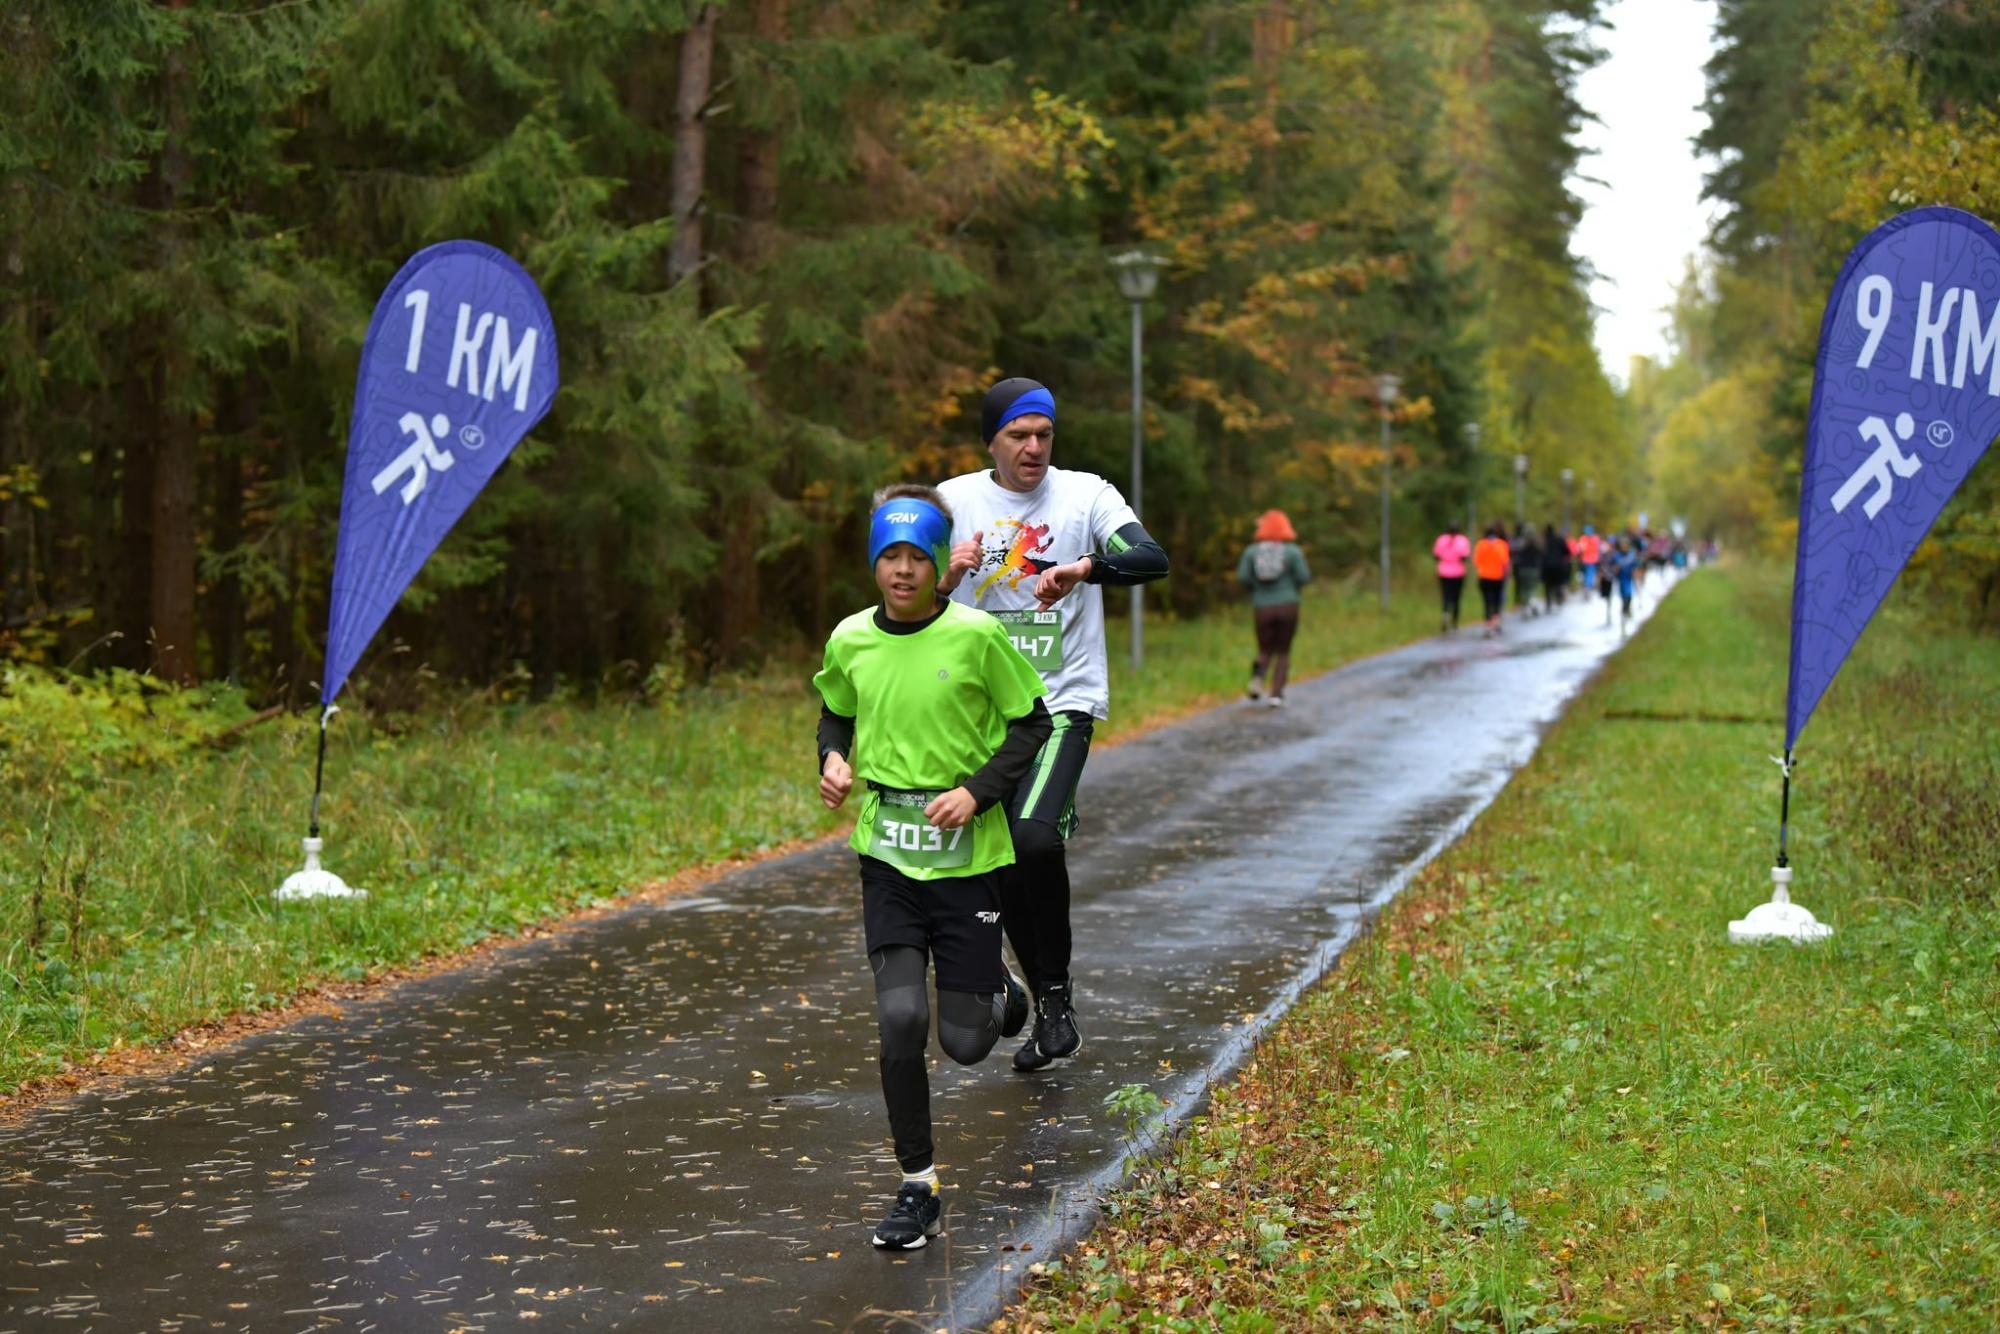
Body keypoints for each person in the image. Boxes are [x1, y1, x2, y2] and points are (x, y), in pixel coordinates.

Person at [815, 483, 1051, 1250]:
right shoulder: (850, 638)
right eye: (892, 557)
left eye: (919, 556)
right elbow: (837, 709)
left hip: (968, 860)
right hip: (887, 854)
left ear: (934, 562)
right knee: (900, 1019)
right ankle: (918, 1186)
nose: (906, 570)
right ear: (875, 565)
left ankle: (1000, 989)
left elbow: (1032, 724)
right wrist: (834, 758)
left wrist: (977, 792)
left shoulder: (977, 635)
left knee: (967, 1042)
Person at [935, 378, 1170, 1073]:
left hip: (1061, 700)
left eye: (1044, 434)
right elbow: (901, 593)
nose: (1034, 448)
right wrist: (946, 579)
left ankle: (1055, 996)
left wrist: (1086, 567)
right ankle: (1045, 1007)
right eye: (1018, 435)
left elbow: (1150, 557)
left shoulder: (1085, 494)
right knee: (997, 861)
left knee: (1033, 837)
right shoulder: (952, 501)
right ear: (991, 441)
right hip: (978, 714)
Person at [1237, 509, 1312, 707]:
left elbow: (1243, 577)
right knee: (1283, 651)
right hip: (1288, 605)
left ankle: (1257, 680)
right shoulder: (1292, 552)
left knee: (1264, 649)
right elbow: (1304, 577)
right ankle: (1276, 695)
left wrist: (1257, 589)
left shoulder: (1252, 552)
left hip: (1262, 606)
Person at [1431, 522, 1471, 633]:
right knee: (1457, 596)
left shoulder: (1441, 540)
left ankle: (1445, 614)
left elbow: (1436, 555)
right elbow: (1465, 557)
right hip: (1458, 572)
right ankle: (1455, 620)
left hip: (1443, 571)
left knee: (1445, 595)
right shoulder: (1462, 540)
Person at [1472, 522, 1511, 637]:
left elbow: (1476, 561)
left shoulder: (1480, 544)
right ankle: (1496, 620)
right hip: (1497, 576)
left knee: (1487, 601)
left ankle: (1488, 624)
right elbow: (1505, 562)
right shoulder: (1502, 544)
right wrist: (1507, 574)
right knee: (1497, 600)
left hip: (1484, 576)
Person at [1510, 523, 1542, 617]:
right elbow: (1541, 554)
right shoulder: (1536, 544)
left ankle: (1525, 607)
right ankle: (1531, 603)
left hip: (1523, 569)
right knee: (1532, 589)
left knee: (1524, 589)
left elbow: (1514, 554)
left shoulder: (1520, 543)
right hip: (1533, 569)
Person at [1540, 523, 1571, 609]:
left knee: (1548, 585)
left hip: (1546, 566)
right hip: (1558, 565)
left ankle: (1548, 601)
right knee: (1558, 583)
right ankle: (1558, 597)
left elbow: (1541, 552)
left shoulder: (1544, 541)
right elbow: (1567, 551)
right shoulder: (1559, 539)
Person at [1575, 524, 1602, 596]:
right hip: (1592, 560)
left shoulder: (1583, 538)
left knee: (1587, 574)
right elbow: (1599, 549)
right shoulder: (1596, 538)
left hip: (1585, 560)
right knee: (1590, 574)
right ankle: (1587, 587)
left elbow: (1579, 549)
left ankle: (1586, 587)